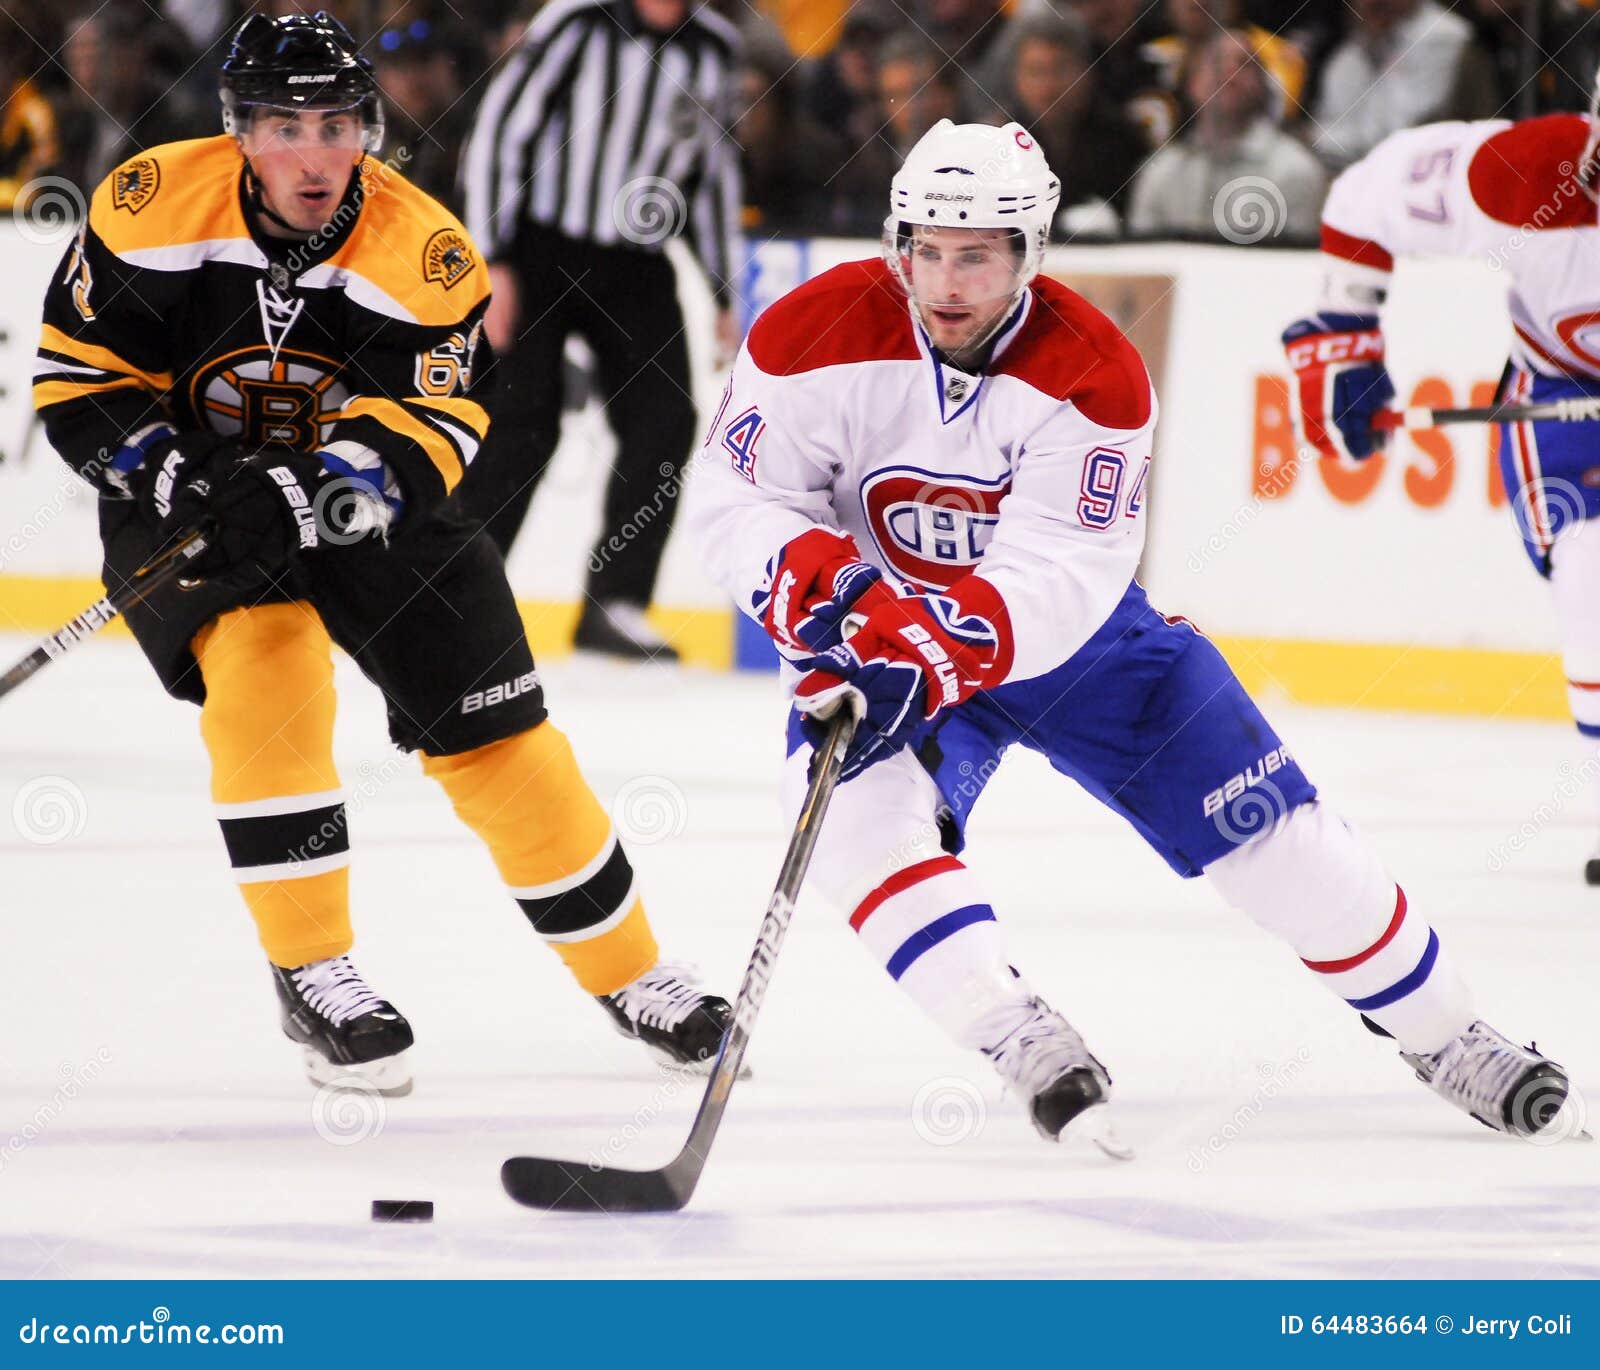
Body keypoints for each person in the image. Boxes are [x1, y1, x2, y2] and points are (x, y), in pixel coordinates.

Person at [689, 118, 1572, 1145]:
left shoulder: (1094, 368)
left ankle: (1447, 1032)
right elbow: (732, 502)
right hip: (879, 636)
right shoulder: (807, 332)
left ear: (1029, 252)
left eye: (974, 255)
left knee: (1266, 829)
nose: (943, 282)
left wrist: (925, 645)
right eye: (924, 249)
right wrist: (839, 601)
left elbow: (1062, 572)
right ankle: (1020, 1036)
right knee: (846, 816)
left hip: (1077, 650)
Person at [31, 12, 731, 1096]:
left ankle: (632, 974)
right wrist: (178, 475)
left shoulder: (426, 249)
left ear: (367, 126)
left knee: (497, 730)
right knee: (266, 670)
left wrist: (319, 488)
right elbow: (79, 385)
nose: (314, 154)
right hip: (199, 500)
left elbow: (440, 425)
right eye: (283, 126)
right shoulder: (151, 202)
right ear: (237, 129)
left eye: (335, 123)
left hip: (364, 504)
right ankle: (315, 971)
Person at [1282, 77, 1600, 887]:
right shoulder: (1529, 175)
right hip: (1568, 408)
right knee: (1595, 572)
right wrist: (1345, 332)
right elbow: (1367, 193)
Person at [456, 0, 741, 661]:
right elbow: (502, 129)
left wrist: (725, 290)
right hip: (538, 248)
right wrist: (491, 256)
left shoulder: (715, 50)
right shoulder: (577, 21)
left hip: (637, 263)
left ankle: (615, 602)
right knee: (522, 420)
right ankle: (456, 595)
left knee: (666, 419)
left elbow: (714, 172)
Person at [1128, 30, 1326, 240]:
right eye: (1216, 62)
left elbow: (1300, 265)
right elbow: (1143, 263)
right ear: (1192, 84)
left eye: (1244, 64)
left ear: (1262, 86)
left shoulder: (1297, 170)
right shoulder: (1159, 171)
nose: (1229, 72)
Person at [1309, 0, 1477, 169]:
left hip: (1423, 171)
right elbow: (1329, 122)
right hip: (1351, 169)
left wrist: (1317, 140)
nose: (1368, 3)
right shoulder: (1354, 47)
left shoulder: (1441, 35)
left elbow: (1394, 136)